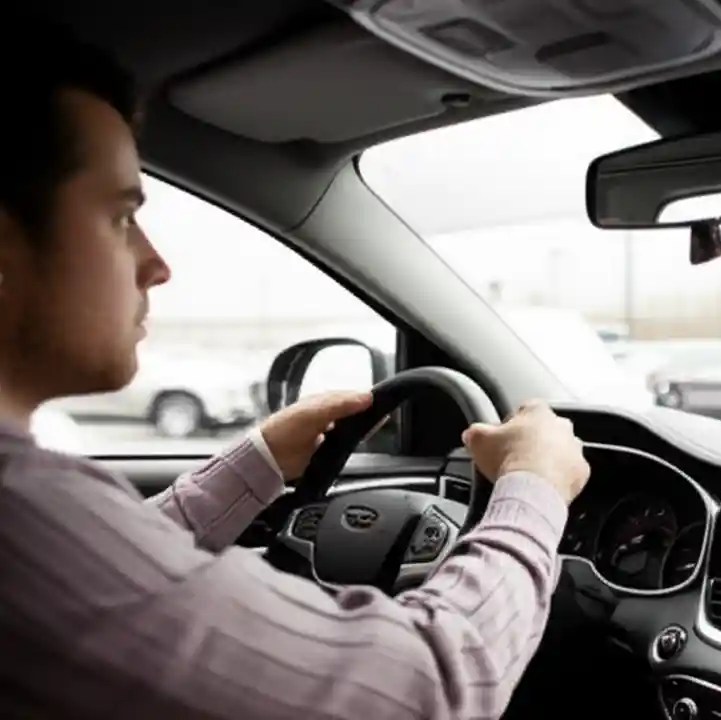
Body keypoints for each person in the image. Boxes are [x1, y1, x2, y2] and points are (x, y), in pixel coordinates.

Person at [0, 16, 590, 720]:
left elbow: (123, 576)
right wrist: (535, 489)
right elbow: (422, 689)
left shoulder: (37, 530)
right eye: (122, 217)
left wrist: (259, 460)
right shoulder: (21, 511)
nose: (157, 264)